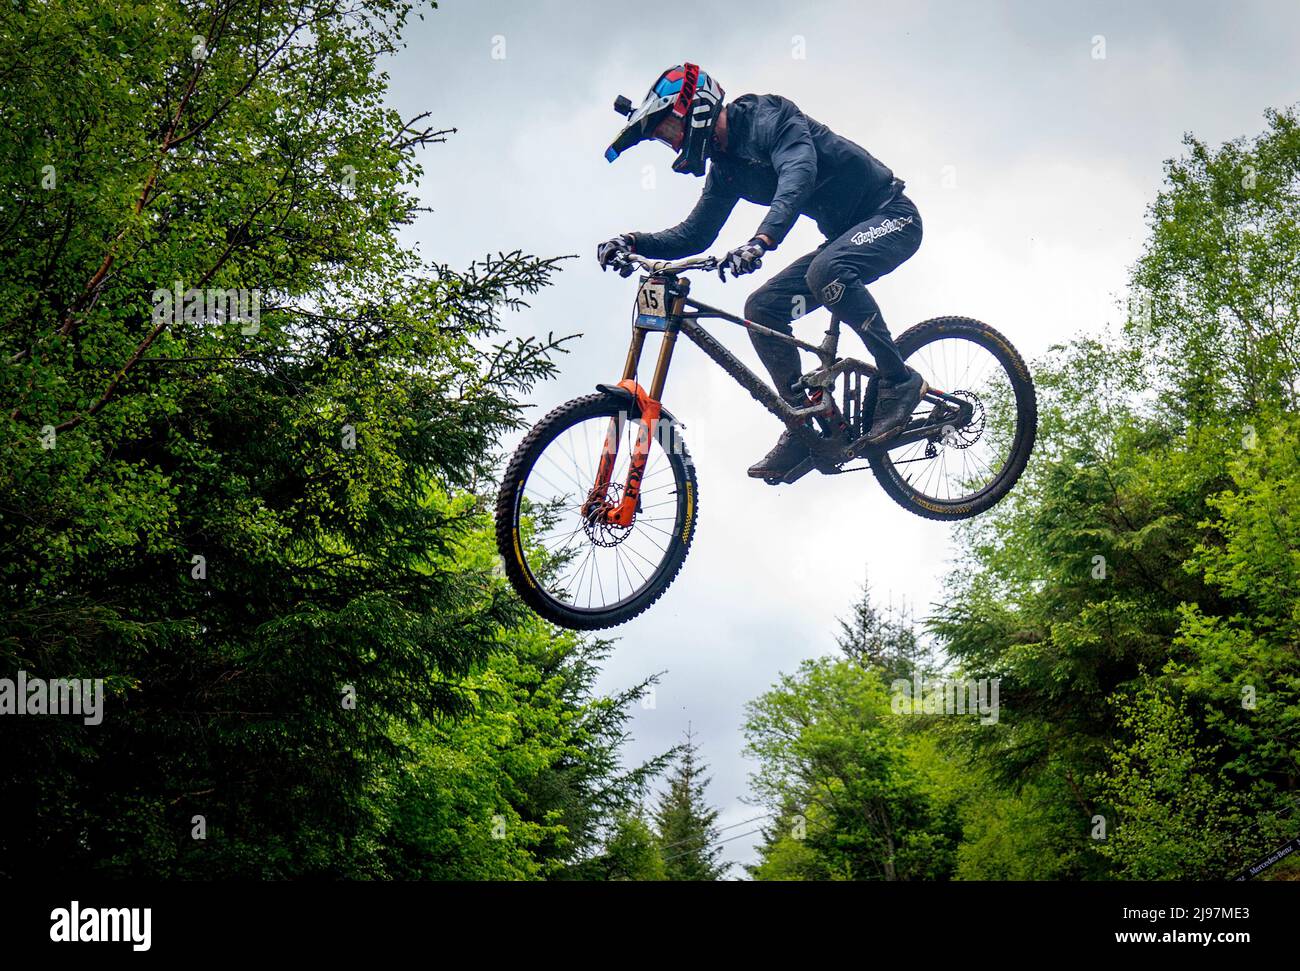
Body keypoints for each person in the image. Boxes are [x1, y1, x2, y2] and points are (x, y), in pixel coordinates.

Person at [598, 63, 927, 479]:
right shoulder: (726, 168)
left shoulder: (768, 117)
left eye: (668, 130)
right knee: (763, 307)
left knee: (827, 271)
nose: (671, 143)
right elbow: (696, 234)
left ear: (695, 109)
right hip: (844, 237)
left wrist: (763, 239)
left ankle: (899, 380)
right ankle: (805, 419)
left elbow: (799, 173)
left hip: (891, 216)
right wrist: (631, 241)